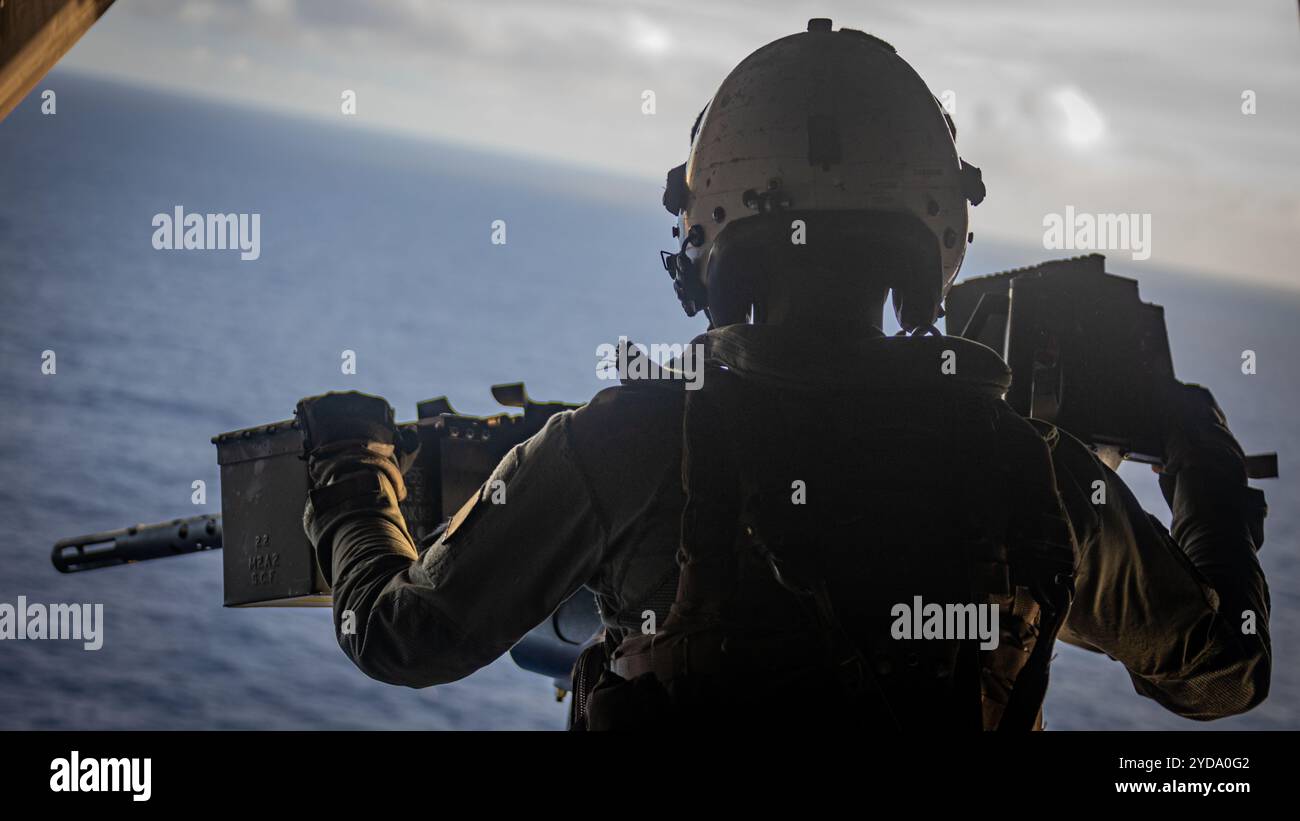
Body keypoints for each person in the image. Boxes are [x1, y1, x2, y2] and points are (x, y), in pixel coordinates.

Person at [296, 20, 1269, 730]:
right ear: (936, 225)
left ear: (711, 225)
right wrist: (1203, 474)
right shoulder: (1037, 469)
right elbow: (1222, 669)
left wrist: (349, 470)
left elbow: (401, 637)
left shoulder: (625, 442)